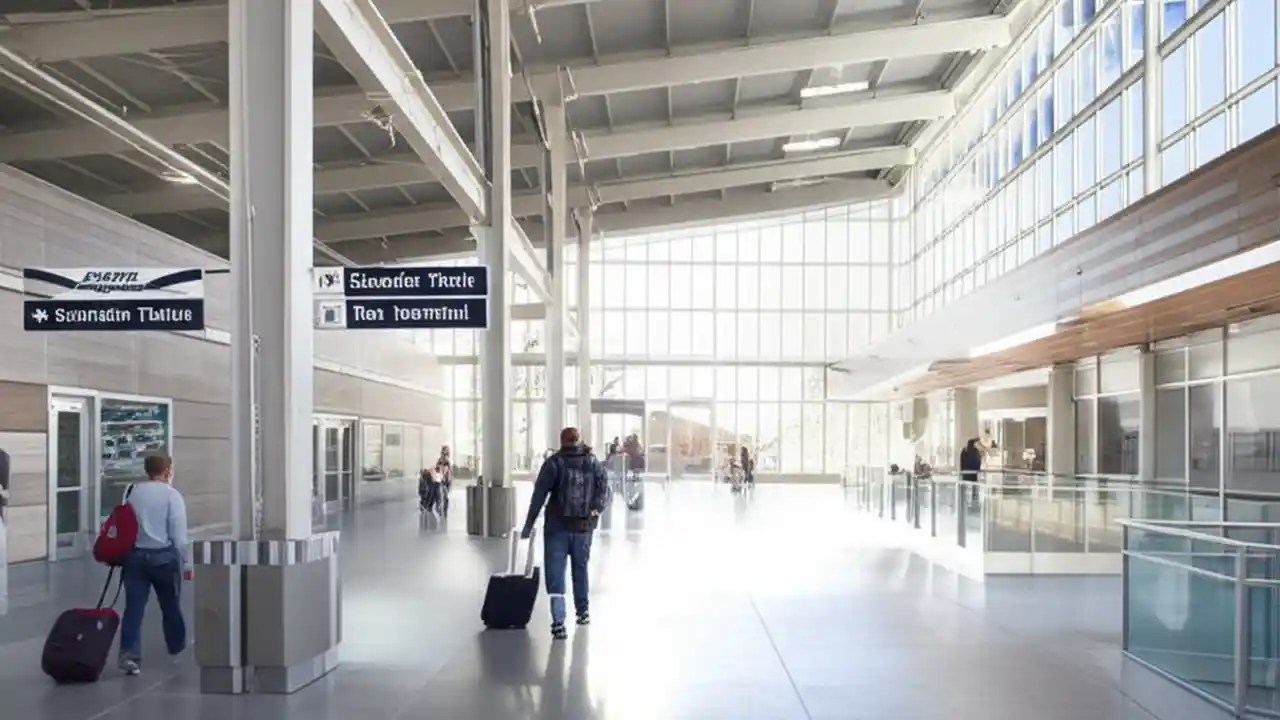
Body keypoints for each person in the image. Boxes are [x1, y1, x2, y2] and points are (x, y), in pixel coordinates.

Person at [520, 427, 609, 640]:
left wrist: (528, 524)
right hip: (583, 528)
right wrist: (595, 511)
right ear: (579, 441)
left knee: (556, 573)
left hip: (557, 528)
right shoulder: (592, 462)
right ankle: (583, 612)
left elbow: (539, 496)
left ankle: (558, 622)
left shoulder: (554, 463)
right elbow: (603, 490)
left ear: (561, 441)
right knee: (580, 569)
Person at [119, 454, 188, 676]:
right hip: (164, 558)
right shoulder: (172, 496)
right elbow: (178, 535)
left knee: (134, 608)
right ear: (167, 470)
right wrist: (186, 563)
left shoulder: (133, 492)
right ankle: (176, 648)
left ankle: (129, 655)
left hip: (135, 557)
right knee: (170, 606)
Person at [959, 438, 983, 504]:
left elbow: (961, 461)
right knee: (974, 487)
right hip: (973, 473)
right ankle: (974, 501)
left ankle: (964, 501)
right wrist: (978, 470)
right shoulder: (975, 451)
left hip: (966, 473)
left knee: (965, 487)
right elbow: (978, 461)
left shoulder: (965, 450)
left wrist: (962, 470)